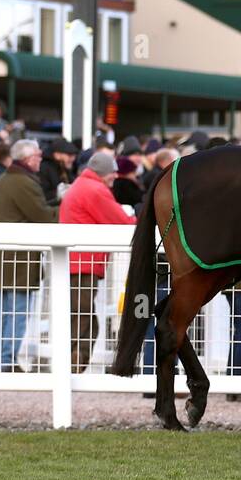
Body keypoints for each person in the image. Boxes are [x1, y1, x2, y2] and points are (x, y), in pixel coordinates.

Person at [60, 153, 137, 372]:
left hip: (77, 261)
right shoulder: (94, 190)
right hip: (84, 263)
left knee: (83, 314)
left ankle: (76, 361)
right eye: (112, 171)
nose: (115, 175)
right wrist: (141, 220)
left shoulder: (81, 186)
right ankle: (72, 365)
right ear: (103, 173)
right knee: (83, 315)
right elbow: (120, 221)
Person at [0, 140, 57, 372]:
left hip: (3, 257)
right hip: (19, 258)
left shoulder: (6, 179)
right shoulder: (23, 182)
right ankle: (6, 361)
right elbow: (44, 217)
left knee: (0, 312)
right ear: (28, 158)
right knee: (17, 313)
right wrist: (65, 203)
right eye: (38, 155)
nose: (41, 159)